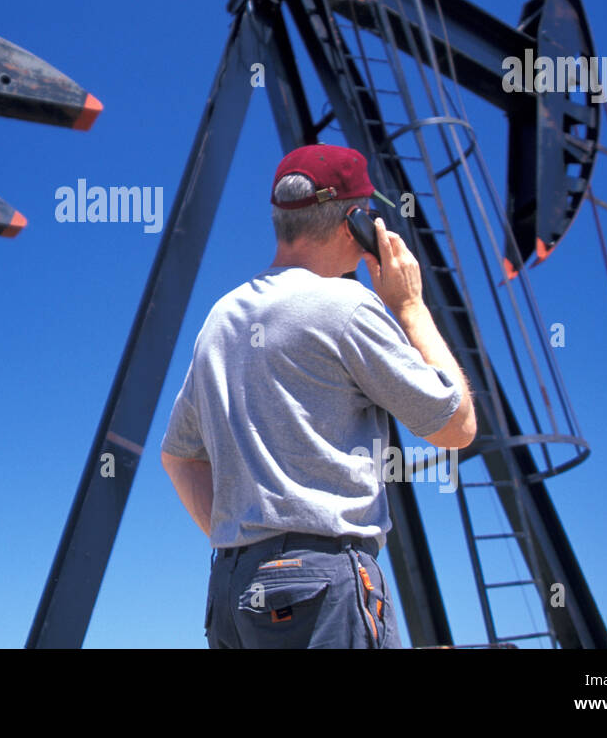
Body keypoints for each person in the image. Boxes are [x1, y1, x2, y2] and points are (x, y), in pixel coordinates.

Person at [160, 143, 476, 648]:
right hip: (320, 586)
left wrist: (250, 540)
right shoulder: (347, 306)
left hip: (231, 592)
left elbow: (178, 458)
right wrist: (411, 306)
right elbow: (456, 426)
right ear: (354, 220)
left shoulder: (220, 318)